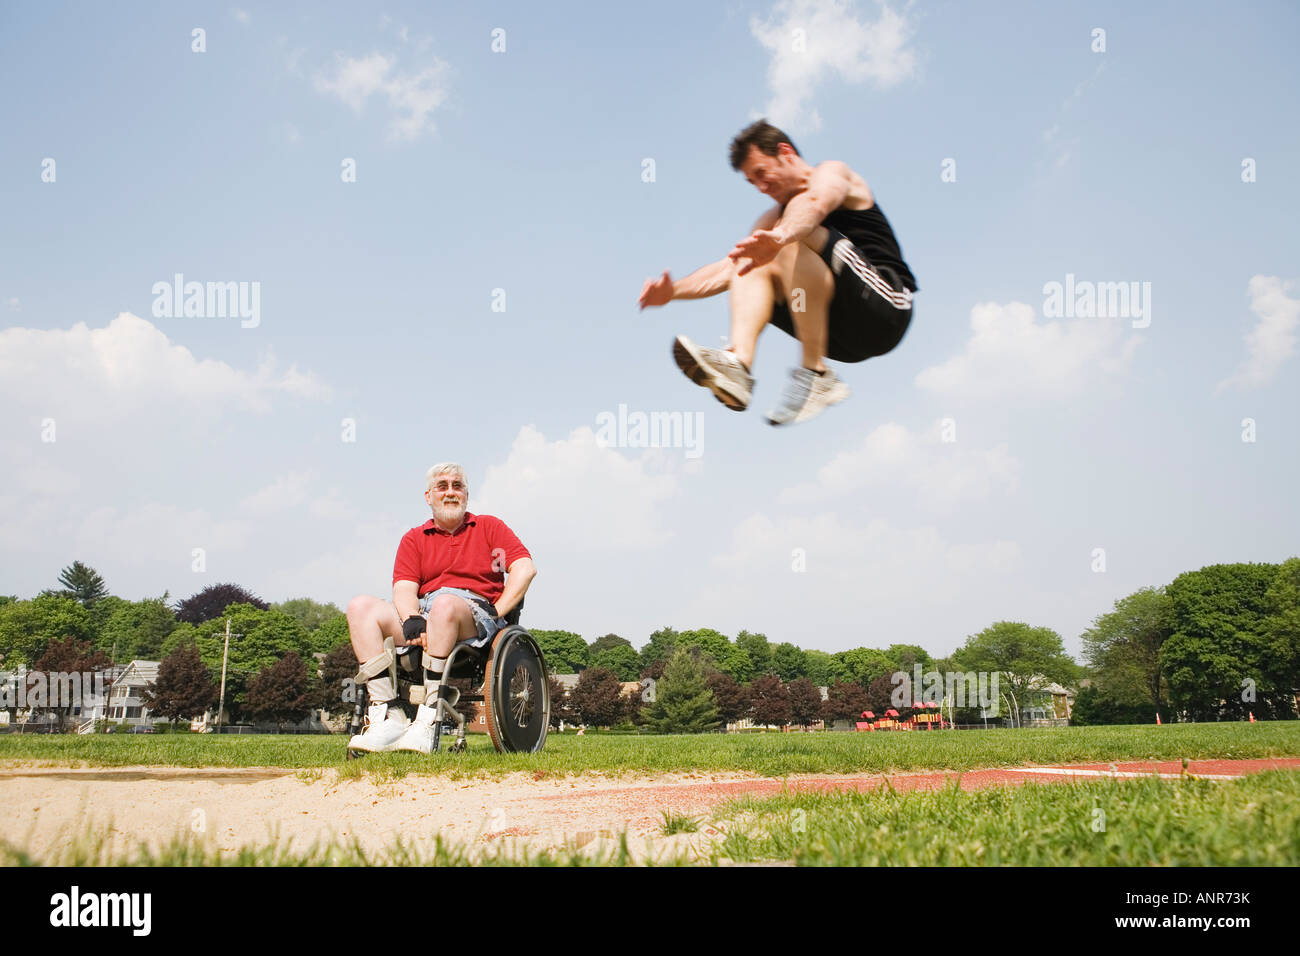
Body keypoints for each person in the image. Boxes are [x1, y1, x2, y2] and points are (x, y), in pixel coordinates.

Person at [638, 119, 918, 425]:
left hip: (886, 309)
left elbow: (815, 203)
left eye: (761, 173)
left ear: (785, 152)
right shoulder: (772, 219)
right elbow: (729, 268)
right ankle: (739, 365)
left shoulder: (831, 173)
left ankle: (815, 374)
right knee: (752, 260)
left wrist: (782, 237)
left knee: (787, 238)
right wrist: (673, 291)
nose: (761, 187)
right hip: (840, 337)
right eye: (752, 183)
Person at [345, 462, 536, 754]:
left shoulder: (488, 527)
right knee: (360, 607)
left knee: (445, 605)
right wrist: (413, 620)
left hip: (474, 612)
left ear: (466, 494)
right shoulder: (414, 538)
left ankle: (429, 716)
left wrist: (498, 609)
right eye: (442, 486)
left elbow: (524, 568)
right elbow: (405, 588)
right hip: (426, 610)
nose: (450, 492)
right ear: (428, 496)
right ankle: (387, 713)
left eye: (457, 486)